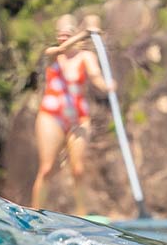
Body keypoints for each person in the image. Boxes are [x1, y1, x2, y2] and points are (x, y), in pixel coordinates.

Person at [31, 13, 115, 213]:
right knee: (47, 168)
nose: (63, 37)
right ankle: (34, 212)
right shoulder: (53, 53)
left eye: (67, 33)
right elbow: (60, 49)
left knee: (78, 170)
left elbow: (95, 76)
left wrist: (107, 86)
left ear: (74, 32)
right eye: (60, 34)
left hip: (78, 118)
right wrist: (85, 34)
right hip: (52, 116)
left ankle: (81, 214)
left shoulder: (86, 57)